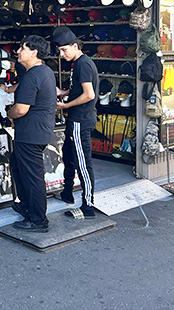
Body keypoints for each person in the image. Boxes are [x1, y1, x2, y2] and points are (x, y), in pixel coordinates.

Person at [7, 35, 57, 231]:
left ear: (34, 52)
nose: (18, 51)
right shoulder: (45, 72)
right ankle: (26, 205)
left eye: (22, 48)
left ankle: (38, 220)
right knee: (18, 165)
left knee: (33, 176)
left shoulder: (32, 75)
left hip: (30, 133)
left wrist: (9, 114)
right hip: (38, 131)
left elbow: (21, 109)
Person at [54, 26, 99, 220]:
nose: (62, 55)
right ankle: (67, 192)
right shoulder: (79, 64)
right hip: (77, 118)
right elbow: (81, 90)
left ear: (75, 46)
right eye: (60, 51)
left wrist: (66, 106)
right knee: (70, 157)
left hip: (81, 119)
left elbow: (89, 94)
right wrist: (65, 93)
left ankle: (88, 205)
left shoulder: (82, 64)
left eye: (64, 50)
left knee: (82, 162)